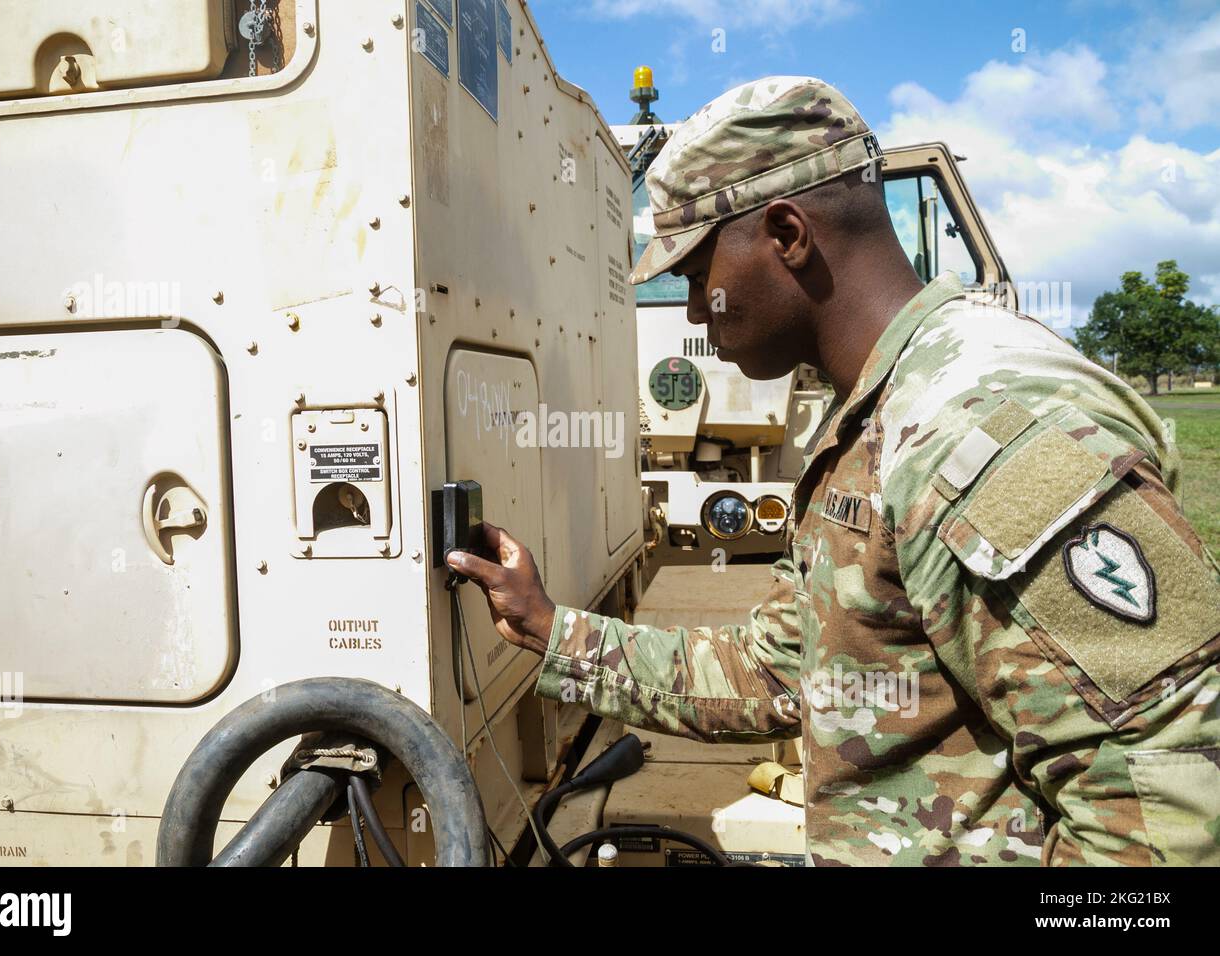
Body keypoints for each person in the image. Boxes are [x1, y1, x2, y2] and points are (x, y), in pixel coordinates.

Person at [446, 76, 1220, 866]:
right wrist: (551, 629)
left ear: (787, 234)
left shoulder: (980, 430)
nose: (690, 313)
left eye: (694, 274)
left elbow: (1170, 806)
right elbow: (778, 671)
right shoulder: (877, 413)